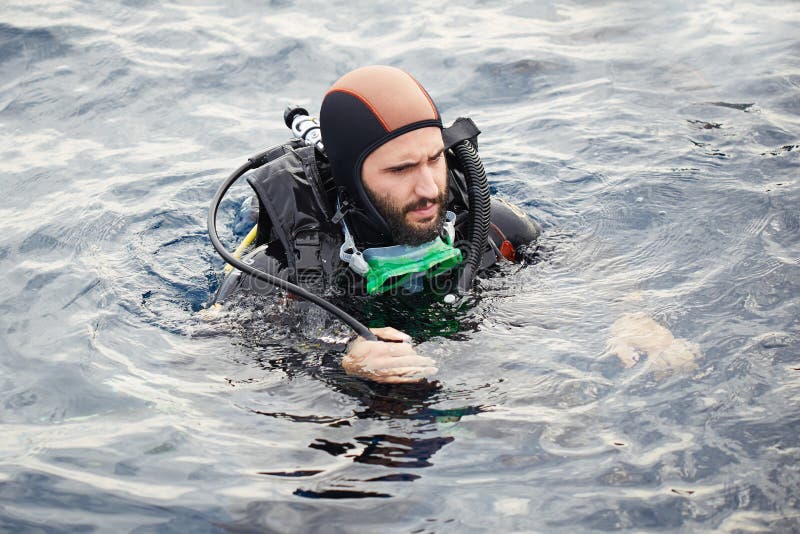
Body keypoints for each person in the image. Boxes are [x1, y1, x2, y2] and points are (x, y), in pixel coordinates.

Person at [213, 65, 541, 384]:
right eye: (401, 169)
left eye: (434, 158)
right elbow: (210, 362)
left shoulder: (496, 230)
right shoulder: (275, 273)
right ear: (351, 179)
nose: (429, 190)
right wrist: (339, 360)